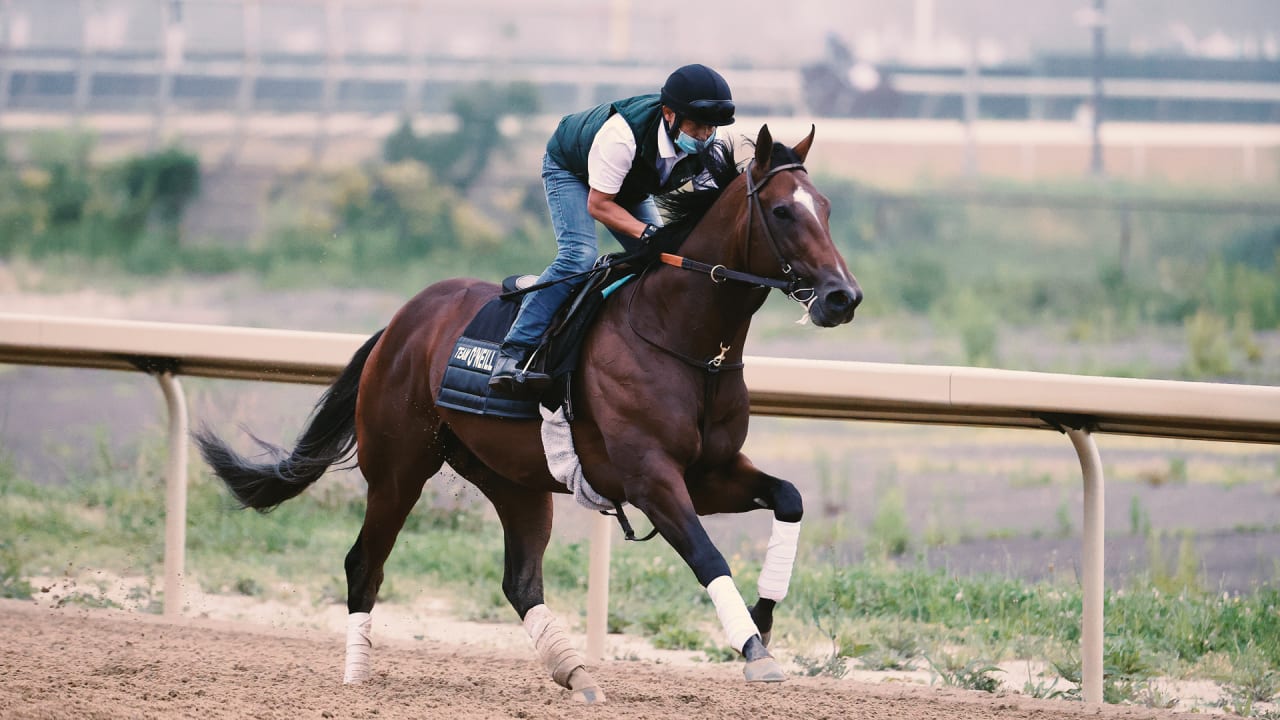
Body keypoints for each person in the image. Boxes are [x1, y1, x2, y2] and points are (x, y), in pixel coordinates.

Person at [489, 63, 736, 395]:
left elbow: (711, 210)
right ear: (669, 114)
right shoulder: (622, 136)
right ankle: (513, 352)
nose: (705, 135)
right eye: (697, 125)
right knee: (578, 256)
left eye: (711, 127)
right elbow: (599, 205)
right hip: (571, 171)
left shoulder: (709, 147)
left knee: (662, 260)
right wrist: (646, 233)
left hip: (628, 186)